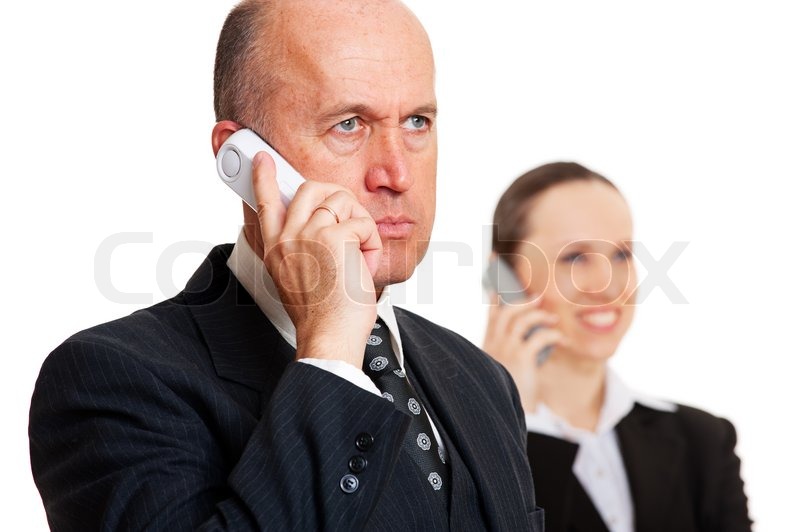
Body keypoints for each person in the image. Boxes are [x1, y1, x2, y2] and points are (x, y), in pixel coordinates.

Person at [28, 1, 543, 530]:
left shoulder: (484, 381)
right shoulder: (110, 383)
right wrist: (331, 354)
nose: (397, 173)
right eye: (349, 124)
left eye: (417, 121)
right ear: (243, 160)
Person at [483, 162, 752, 532]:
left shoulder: (703, 441)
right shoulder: (462, 451)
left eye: (621, 255)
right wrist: (511, 418)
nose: (606, 285)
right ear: (505, 277)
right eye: (575, 257)